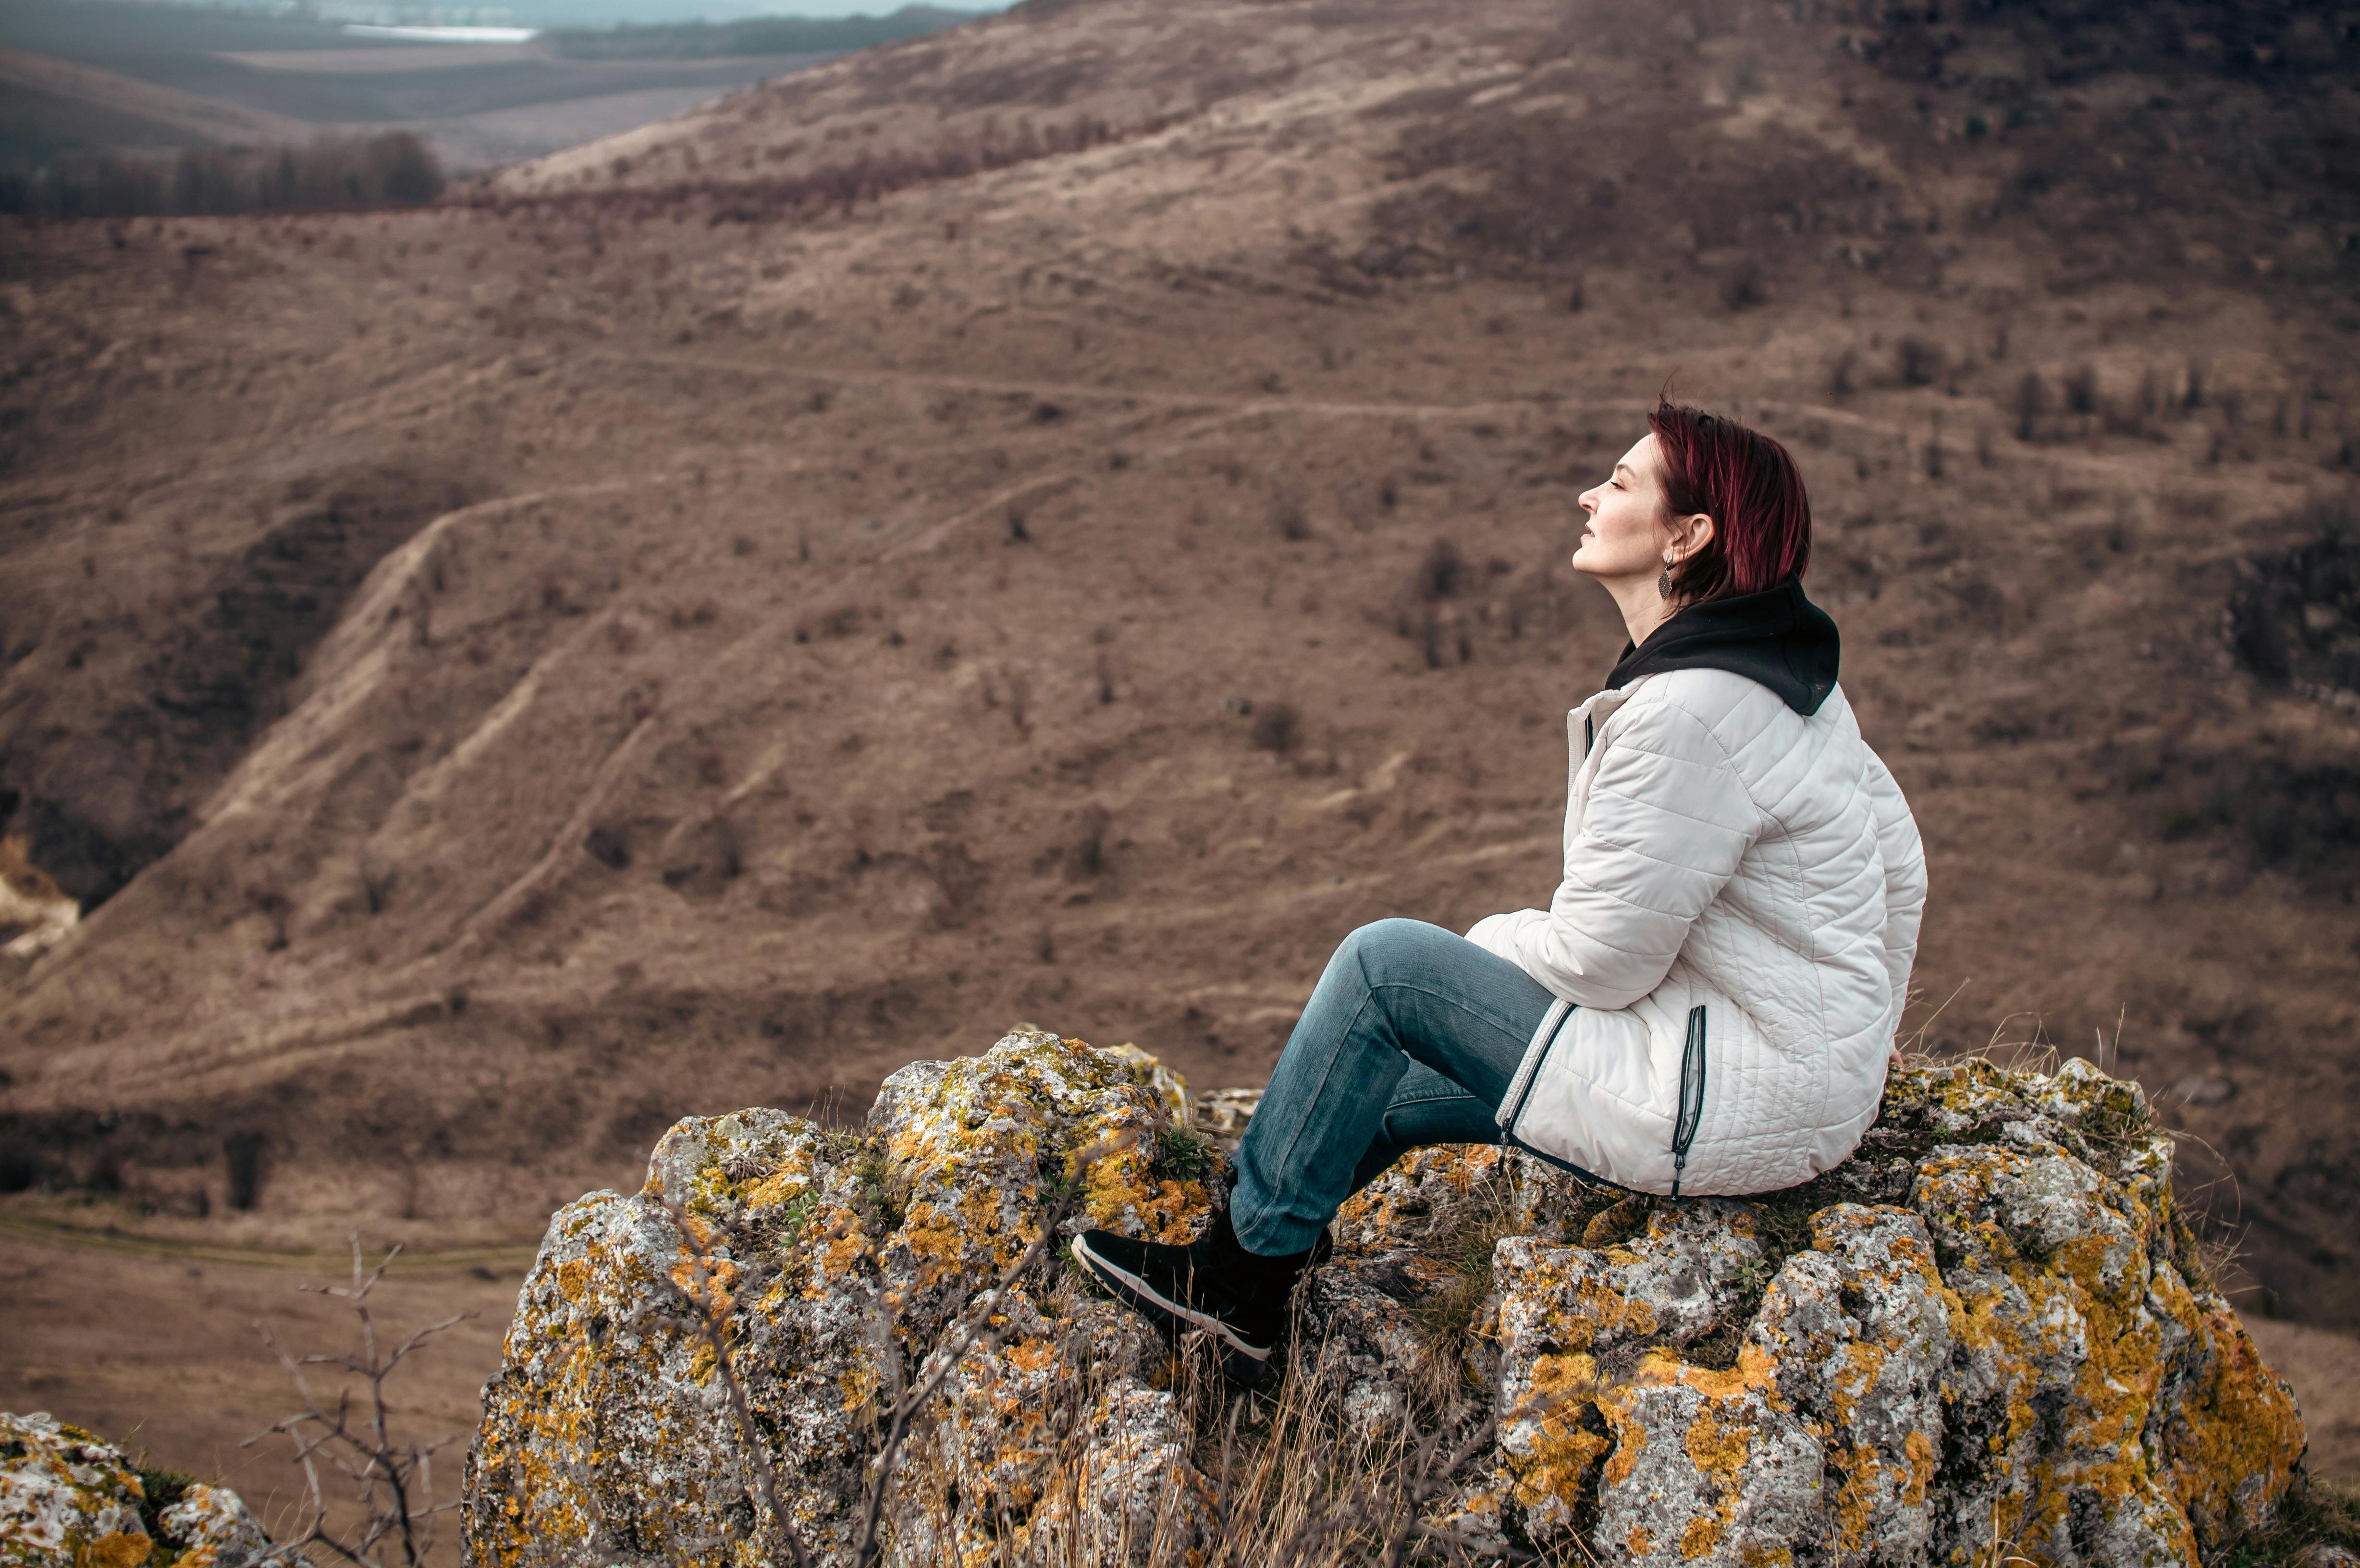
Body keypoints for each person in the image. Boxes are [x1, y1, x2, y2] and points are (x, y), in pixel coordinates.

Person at [1073, 397, 1929, 1384]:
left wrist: (1478, 948)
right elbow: (1898, 866)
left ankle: (1231, 1295)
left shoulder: (1690, 712)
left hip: (1718, 1104)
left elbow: (1601, 963)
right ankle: (1267, 1243)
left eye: (1617, 483)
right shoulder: (1788, 680)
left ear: (1685, 536)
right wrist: (1861, 1030)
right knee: (1380, 1080)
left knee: (1384, 970)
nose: (1586, 494)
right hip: (1789, 1083)